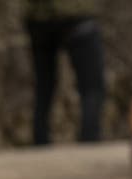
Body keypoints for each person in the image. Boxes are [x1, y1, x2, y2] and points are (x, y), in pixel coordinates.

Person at [24, 0, 105, 145]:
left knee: (44, 86)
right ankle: (90, 142)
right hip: (77, 15)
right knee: (92, 87)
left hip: (38, 19)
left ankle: (40, 143)